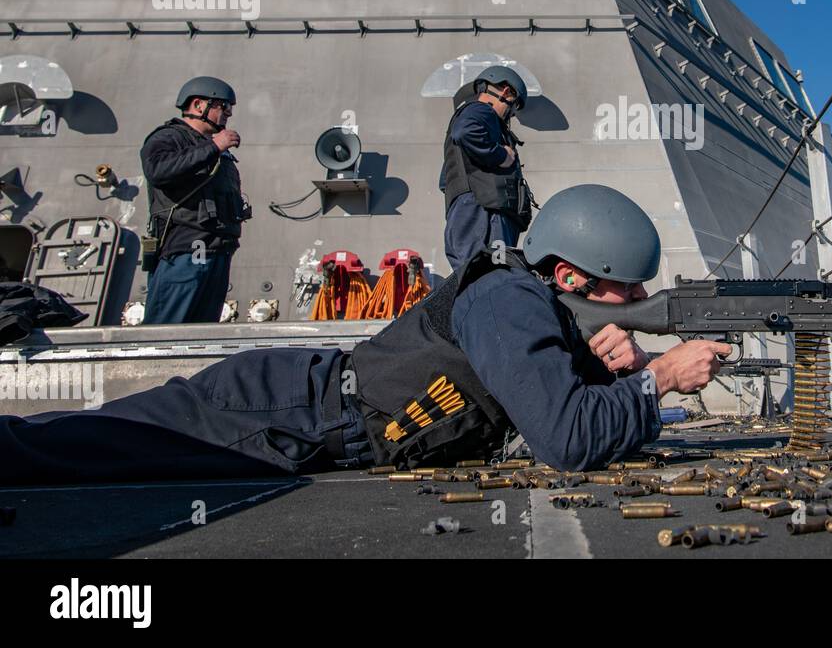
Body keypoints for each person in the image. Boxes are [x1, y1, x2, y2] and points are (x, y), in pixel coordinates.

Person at [0, 184, 729, 484]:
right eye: (623, 288)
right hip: (276, 409)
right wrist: (658, 379)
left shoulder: (538, 307)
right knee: (66, 454)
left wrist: (613, 375)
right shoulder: (511, 300)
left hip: (313, 425)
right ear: (569, 275)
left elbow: (559, 409)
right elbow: (566, 440)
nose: (632, 301)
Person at [140, 77, 250, 325]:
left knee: (202, 333)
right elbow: (157, 170)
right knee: (168, 330)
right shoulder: (169, 137)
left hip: (217, 249)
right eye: (223, 107)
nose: (228, 114)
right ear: (199, 105)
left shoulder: (212, 147)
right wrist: (214, 147)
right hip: (186, 250)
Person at [438, 66, 534, 269]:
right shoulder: (481, 110)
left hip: (471, 214)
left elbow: (446, 180)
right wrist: (501, 155)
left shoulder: (470, 121)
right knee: (494, 277)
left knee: (475, 281)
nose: (511, 115)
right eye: (513, 107)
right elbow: (465, 131)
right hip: (485, 214)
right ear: (506, 92)